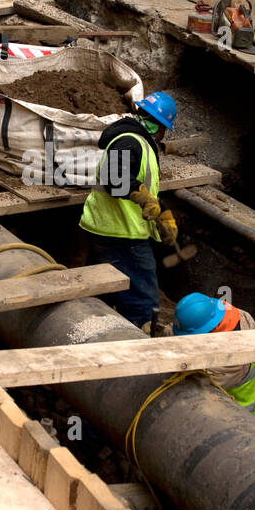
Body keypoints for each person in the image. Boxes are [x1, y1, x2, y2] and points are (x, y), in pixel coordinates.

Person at [79, 92, 178, 333]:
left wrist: (161, 212)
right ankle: (140, 343)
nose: (162, 135)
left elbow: (142, 185)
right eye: (164, 129)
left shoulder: (135, 142)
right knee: (143, 303)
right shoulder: (130, 140)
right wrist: (145, 200)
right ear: (158, 126)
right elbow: (115, 180)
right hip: (122, 236)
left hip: (109, 229)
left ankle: (98, 333)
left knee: (102, 292)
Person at [172, 293, 255, 422]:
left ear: (208, 332)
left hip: (246, 412)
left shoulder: (231, 362)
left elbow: (196, 380)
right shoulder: (236, 316)